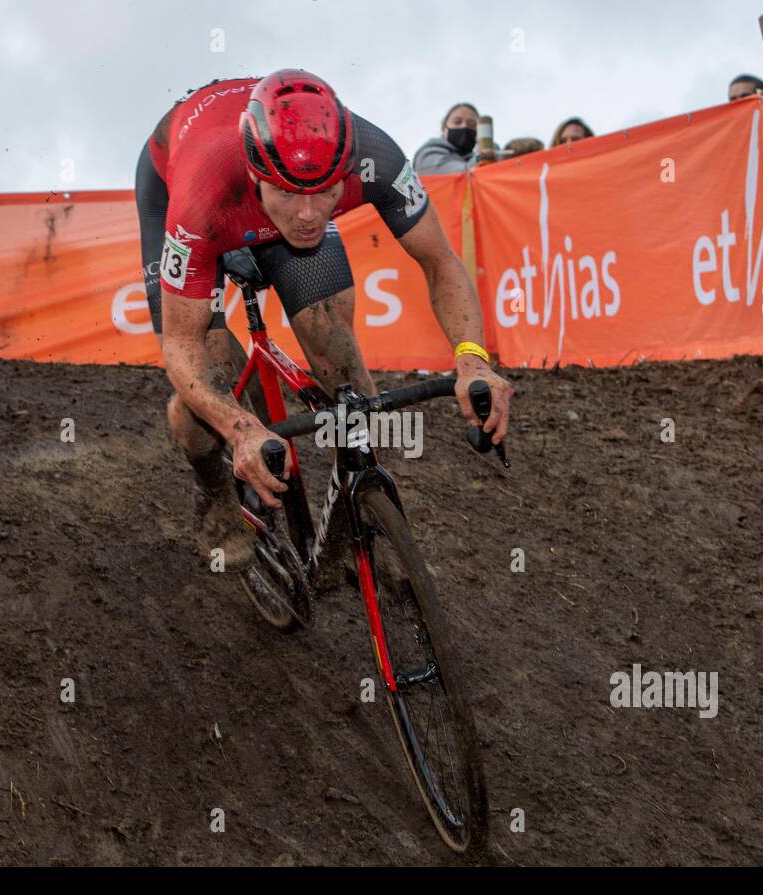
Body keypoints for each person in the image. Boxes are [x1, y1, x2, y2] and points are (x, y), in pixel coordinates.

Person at [136, 71, 514, 573]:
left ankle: (360, 508)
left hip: (262, 186)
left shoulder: (375, 156)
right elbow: (182, 346)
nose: (309, 215)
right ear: (256, 175)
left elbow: (441, 261)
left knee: (338, 353)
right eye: (290, 194)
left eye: (325, 192)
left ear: (345, 168)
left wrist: (472, 359)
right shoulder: (203, 192)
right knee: (210, 379)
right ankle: (216, 497)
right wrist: (240, 427)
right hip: (179, 182)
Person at [413, 102, 485, 174]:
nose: (464, 126)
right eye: (457, 122)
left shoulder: (473, 157)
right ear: (444, 128)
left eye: (471, 124)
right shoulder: (427, 155)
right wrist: (484, 156)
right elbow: (459, 176)